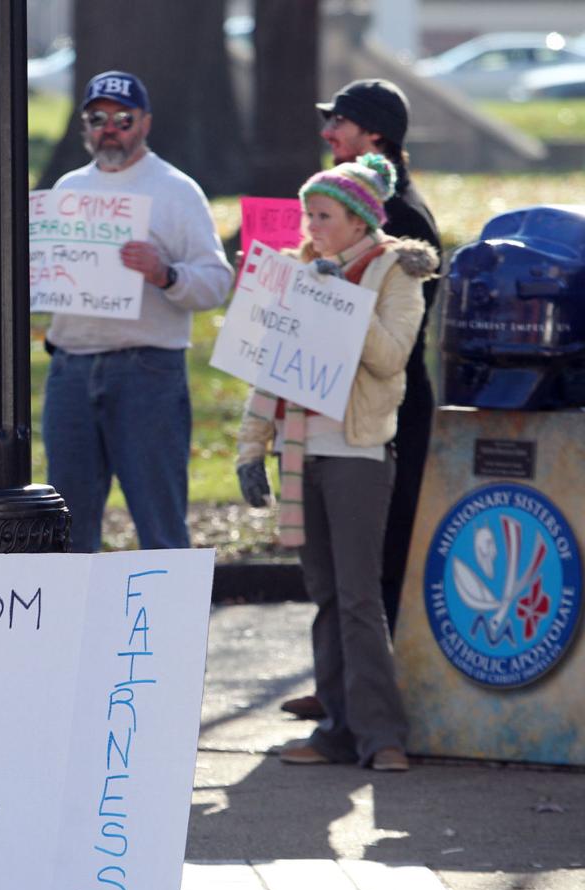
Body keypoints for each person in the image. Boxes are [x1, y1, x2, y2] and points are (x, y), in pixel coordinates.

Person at [235, 154, 438, 772]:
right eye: (307, 214)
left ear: (357, 221)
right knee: (324, 593)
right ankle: (337, 729)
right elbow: (269, 362)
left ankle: (382, 736)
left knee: (357, 597)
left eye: (322, 216)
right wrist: (252, 445)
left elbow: (391, 358)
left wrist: (336, 299)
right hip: (301, 450)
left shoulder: (395, 273)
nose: (310, 226)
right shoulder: (302, 268)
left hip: (357, 453)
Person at [281, 79, 442, 721]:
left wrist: (326, 292)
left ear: (375, 136)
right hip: (324, 407)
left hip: (382, 412)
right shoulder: (343, 203)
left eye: (340, 124)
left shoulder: (398, 219)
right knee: (341, 580)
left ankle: (379, 708)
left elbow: (387, 340)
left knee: (373, 569)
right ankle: (341, 694)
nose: (328, 135)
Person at [42, 70, 233, 552]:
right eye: (98, 117)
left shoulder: (175, 190)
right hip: (70, 368)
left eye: (123, 118)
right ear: (84, 125)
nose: (110, 128)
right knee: (67, 526)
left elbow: (216, 282)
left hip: (146, 370)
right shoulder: (66, 189)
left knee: (159, 520)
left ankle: (169, 628)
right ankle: (76, 627)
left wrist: (165, 274)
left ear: (145, 123)